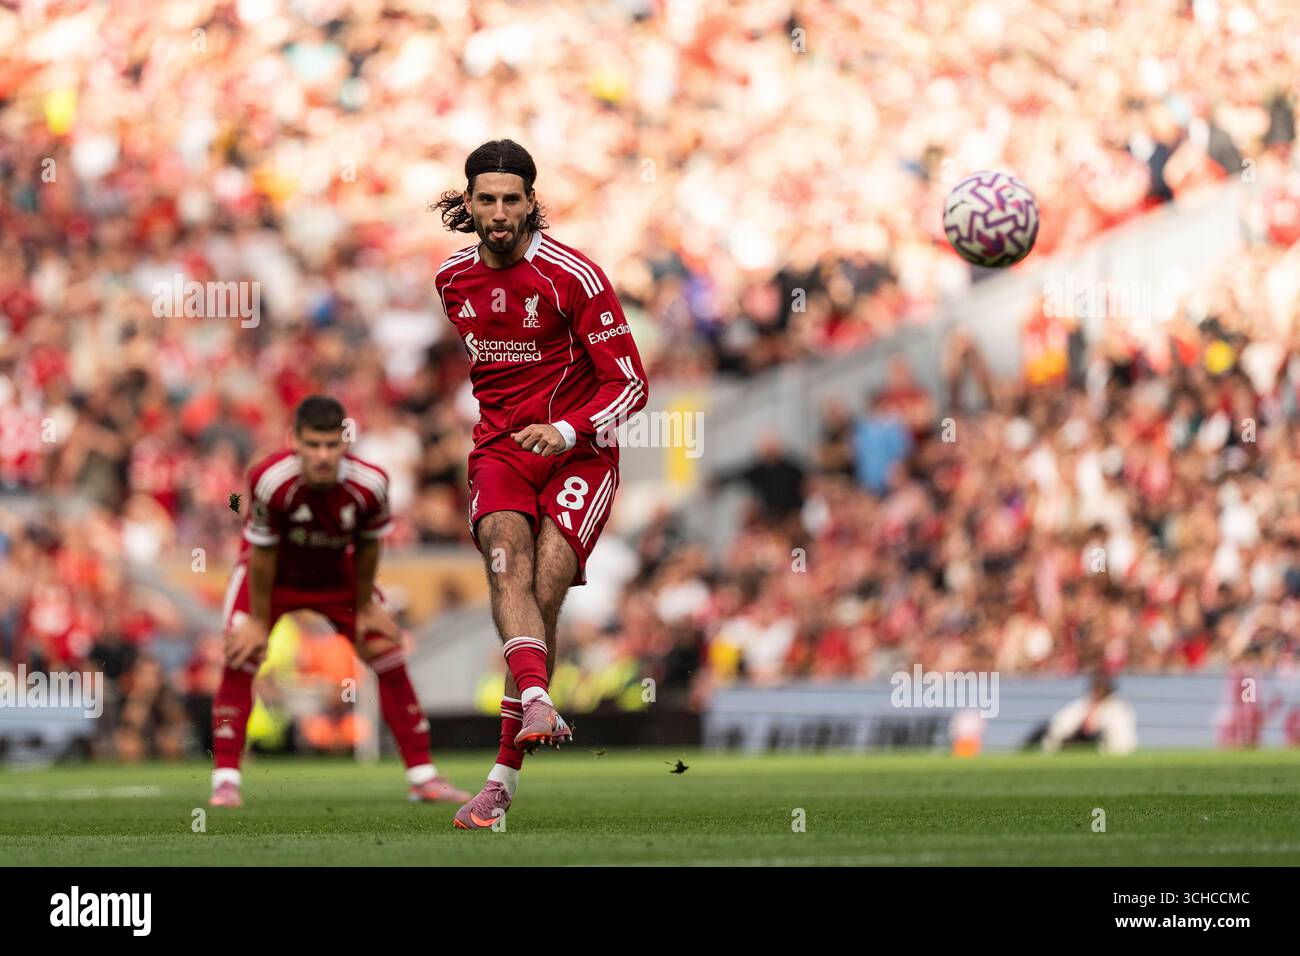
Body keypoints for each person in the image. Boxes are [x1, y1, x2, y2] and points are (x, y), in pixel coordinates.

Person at [432, 139, 649, 829]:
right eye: (486, 199)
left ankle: (501, 779)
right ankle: (536, 701)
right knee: (507, 565)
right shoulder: (450, 281)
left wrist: (567, 429)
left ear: (532, 202)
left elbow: (631, 383)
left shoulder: (574, 277)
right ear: (468, 203)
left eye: (511, 199)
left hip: (578, 453)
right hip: (499, 452)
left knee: (544, 586)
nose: (499, 212)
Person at [209, 395, 468, 807]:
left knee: (387, 651)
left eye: (332, 444)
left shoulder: (370, 484)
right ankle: (225, 781)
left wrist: (365, 605)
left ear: (345, 442)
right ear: (295, 441)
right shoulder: (269, 478)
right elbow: (261, 553)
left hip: (337, 574)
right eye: (313, 445)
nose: (323, 455)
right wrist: (258, 620)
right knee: (242, 654)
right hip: (273, 576)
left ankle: (423, 777)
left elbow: (368, 547)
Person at [1039, 673, 1138, 755]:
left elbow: (1090, 727)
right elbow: (1061, 724)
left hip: (1107, 750)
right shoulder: (1086, 705)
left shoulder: (1113, 707)